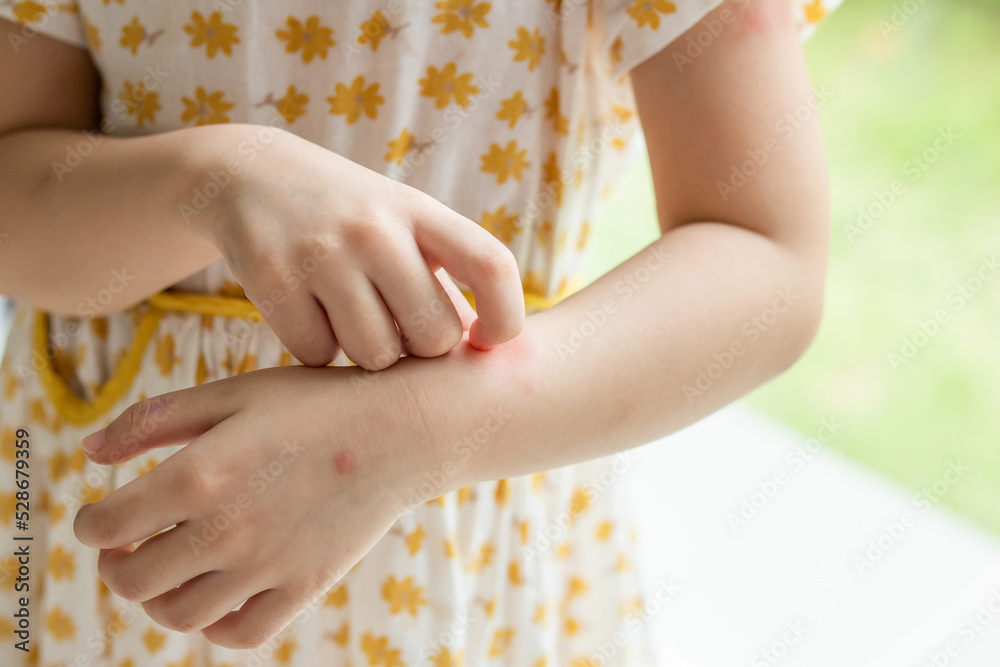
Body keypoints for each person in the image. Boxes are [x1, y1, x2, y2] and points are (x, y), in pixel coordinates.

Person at [0, 0, 840, 664]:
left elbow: (768, 258)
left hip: (468, 512)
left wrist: (413, 429)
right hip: (100, 499)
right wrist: (217, 179)